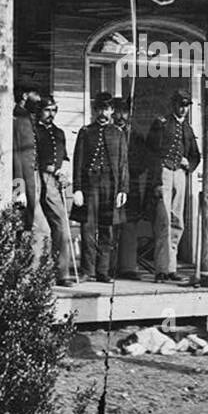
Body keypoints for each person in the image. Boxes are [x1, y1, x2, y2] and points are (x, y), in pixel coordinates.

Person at [71, 91, 129, 283]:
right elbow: (78, 162)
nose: (103, 113)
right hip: (89, 185)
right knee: (88, 227)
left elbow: (123, 164)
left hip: (110, 186)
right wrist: (77, 188)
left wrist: (123, 190)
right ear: (95, 110)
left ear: (112, 110)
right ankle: (88, 270)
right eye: (99, 109)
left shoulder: (119, 134)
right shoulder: (86, 132)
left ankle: (103, 271)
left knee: (107, 228)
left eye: (106, 109)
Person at [147, 89, 200, 284]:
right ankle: (161, 269)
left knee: (177, 222)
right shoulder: (161, 124)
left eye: (186, 105)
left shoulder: (188, 129)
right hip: (164, 173)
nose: (183, 109)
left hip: (180, 175)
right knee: (164, 221)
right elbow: (150, 153)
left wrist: (189, 164)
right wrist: (156, 181)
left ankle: (172, 268)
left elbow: (196, 155)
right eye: (180, 105)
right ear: (173, 105)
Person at [34, 94, 75, 286]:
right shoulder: (33, 131)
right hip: (37, 179)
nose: (51, 114)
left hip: (56, 181)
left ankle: (61, 272)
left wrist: (62, 173)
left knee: (61, 226)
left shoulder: (59, 133)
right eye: (47, 110)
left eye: (54, 110)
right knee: (42, 228)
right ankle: (42, 273)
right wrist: (47, 166)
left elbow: (63, 157)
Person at [112, 97, 145, 279]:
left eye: (124, 112)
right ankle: (108, 266)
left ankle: (128, 267)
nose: (121, 116)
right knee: (109, 225)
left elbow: (143, 162)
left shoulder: (136, 136)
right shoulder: (105, 133)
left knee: (130, 225)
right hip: (109, 184)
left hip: (131, 184)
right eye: (117, 112)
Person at [11, 86, 44, 236]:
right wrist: (19, 189)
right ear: (24, 95)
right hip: (23, 180)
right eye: (35, 95)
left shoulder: (26, 116)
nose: (38, 100)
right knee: (21, 225)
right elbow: (16, 153)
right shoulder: (17, 118)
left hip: (33, 176)